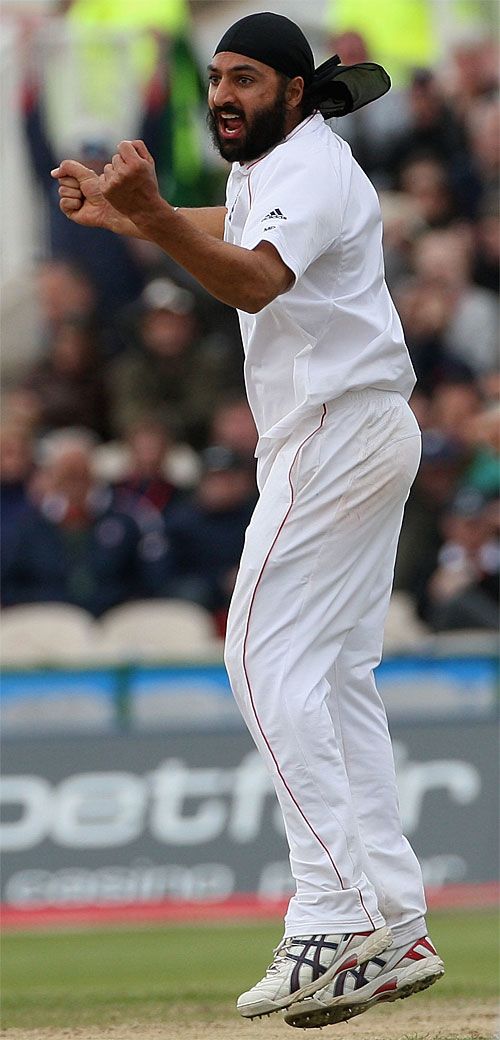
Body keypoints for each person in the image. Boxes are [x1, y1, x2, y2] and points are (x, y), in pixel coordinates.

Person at [51, 11, 444, 1028]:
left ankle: (328, 908)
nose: (224, 94)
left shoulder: (309, 167)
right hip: (355, 427)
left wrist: (149, 216)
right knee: (334, 676)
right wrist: (126, 211)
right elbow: (228, 232)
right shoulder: (273, 168)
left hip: (330, 434)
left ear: (296, 93)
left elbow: (254, 278)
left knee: (257, 657)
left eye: (247, 80)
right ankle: (395, 921)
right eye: (217, 78)